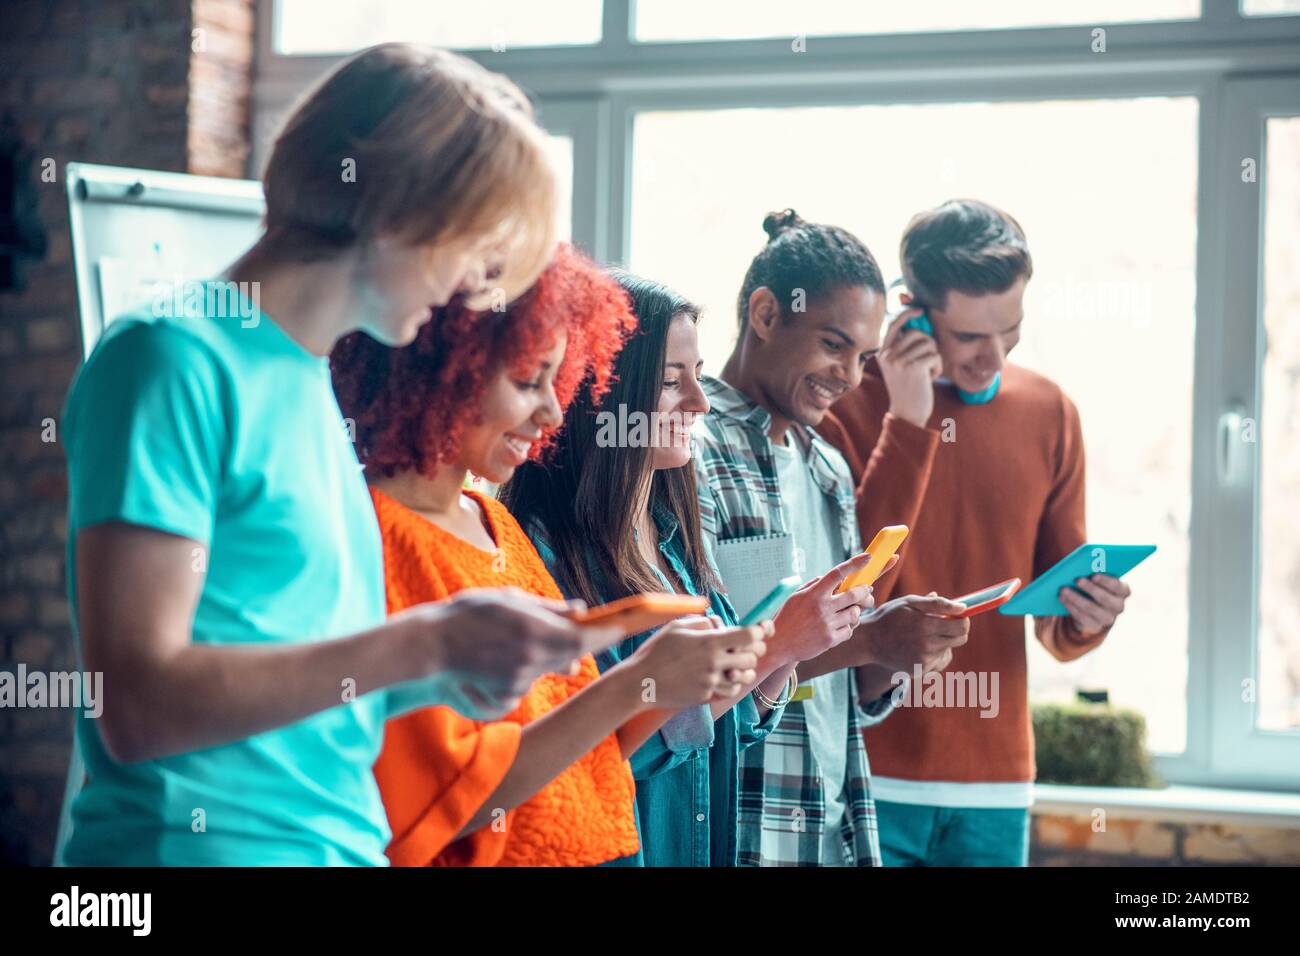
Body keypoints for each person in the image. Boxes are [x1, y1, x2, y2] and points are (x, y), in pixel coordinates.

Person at [59, 44, 611, 866]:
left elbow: (308, 684)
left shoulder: (307, 383)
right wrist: (427, 645)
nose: (475, 287)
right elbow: (135, 705)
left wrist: (452, 672)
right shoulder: (171, 359)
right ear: (399, 211)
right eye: (478, 246)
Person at [331, 245, 766, 866]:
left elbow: (588, 755)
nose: (554, 410)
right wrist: (640, 684)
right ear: (444, 374)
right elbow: (445, 804)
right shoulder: (374, 540)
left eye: (554, 380)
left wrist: (661, 688)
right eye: (528, 382)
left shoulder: (497, 526)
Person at [502, 271, 879, 866]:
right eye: (672, 382)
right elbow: (585, 758)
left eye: (698, 378)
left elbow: (723, 732)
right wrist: (774, 643)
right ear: (605, 393)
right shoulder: (541, 556)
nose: (700, 403)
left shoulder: (673, 538)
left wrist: (782, 654)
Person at [819, 199, 1133, 866]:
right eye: (969, 338)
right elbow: (850, 592)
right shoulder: (844, 404)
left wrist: (1087, 617)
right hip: (864, 770)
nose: (992, 359)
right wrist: (909, 422)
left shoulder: (1049, 412)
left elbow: (1056, 618)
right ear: (913, 312)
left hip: (995, 785)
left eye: (1010, 333)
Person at [694, 209, 972, 866]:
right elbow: (702, 673)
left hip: (831, 829)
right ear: (765, 315)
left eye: (863, 356)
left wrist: (887, 660)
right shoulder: (691, 453)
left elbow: (834, 670)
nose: (849, 376)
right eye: (832, 344)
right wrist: (870, 639)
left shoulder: (828, 469)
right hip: (739, 829)